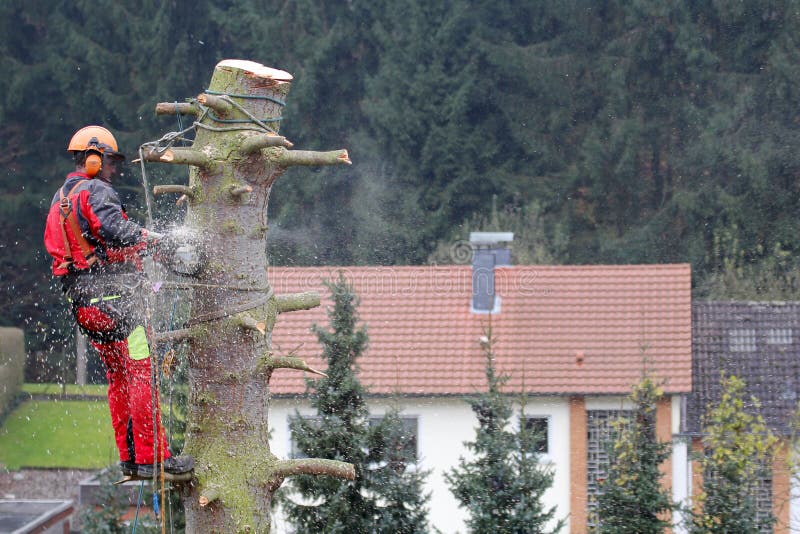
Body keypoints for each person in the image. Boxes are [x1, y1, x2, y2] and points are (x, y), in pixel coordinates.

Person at [43, 125, 193, 478]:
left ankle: (130, 458)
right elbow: (115, 229)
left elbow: (97, 246)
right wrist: (157, 239)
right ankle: (152, 457)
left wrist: (139, 250)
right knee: (142, 373)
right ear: (93, 158)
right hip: (117, 304)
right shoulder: (96, 191)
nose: (114, 170)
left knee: (119, 377)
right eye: (110, 162)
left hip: (86, 305)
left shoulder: (61, 197)